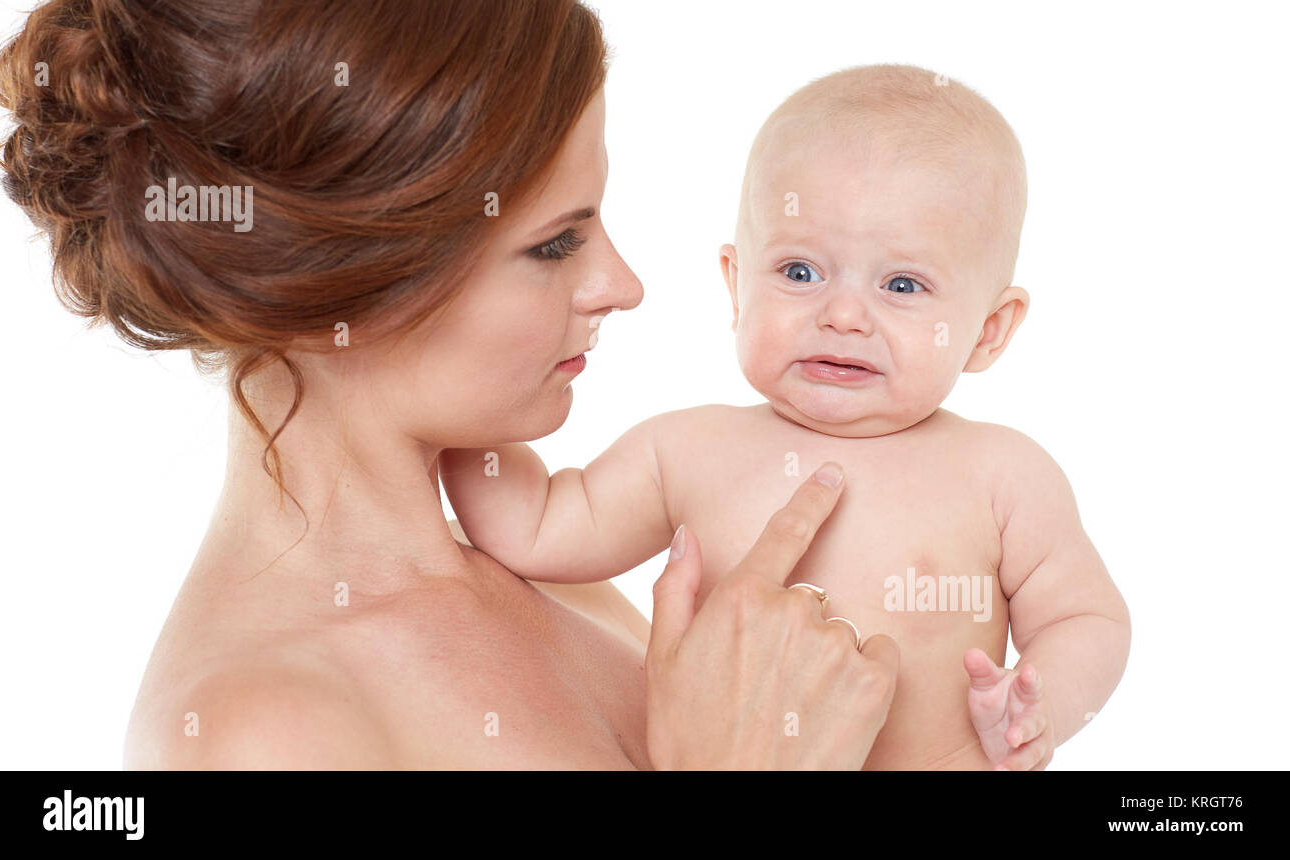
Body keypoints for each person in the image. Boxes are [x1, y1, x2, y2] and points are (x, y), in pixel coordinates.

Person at [0, 0, 897, 769]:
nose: (622, 286)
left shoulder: (547, 572)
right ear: (335, 278)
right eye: (553, 244)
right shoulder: (250, 735)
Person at [439, 64, 1132, 769]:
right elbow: (535, 528)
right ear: (737, 284)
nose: (841, 315)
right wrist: (452, 392)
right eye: (800, 272)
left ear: (989, 329)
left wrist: (1039, 707)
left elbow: (1087, 618)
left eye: (902, 284)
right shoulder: (686, 450)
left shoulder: (1003, 476)